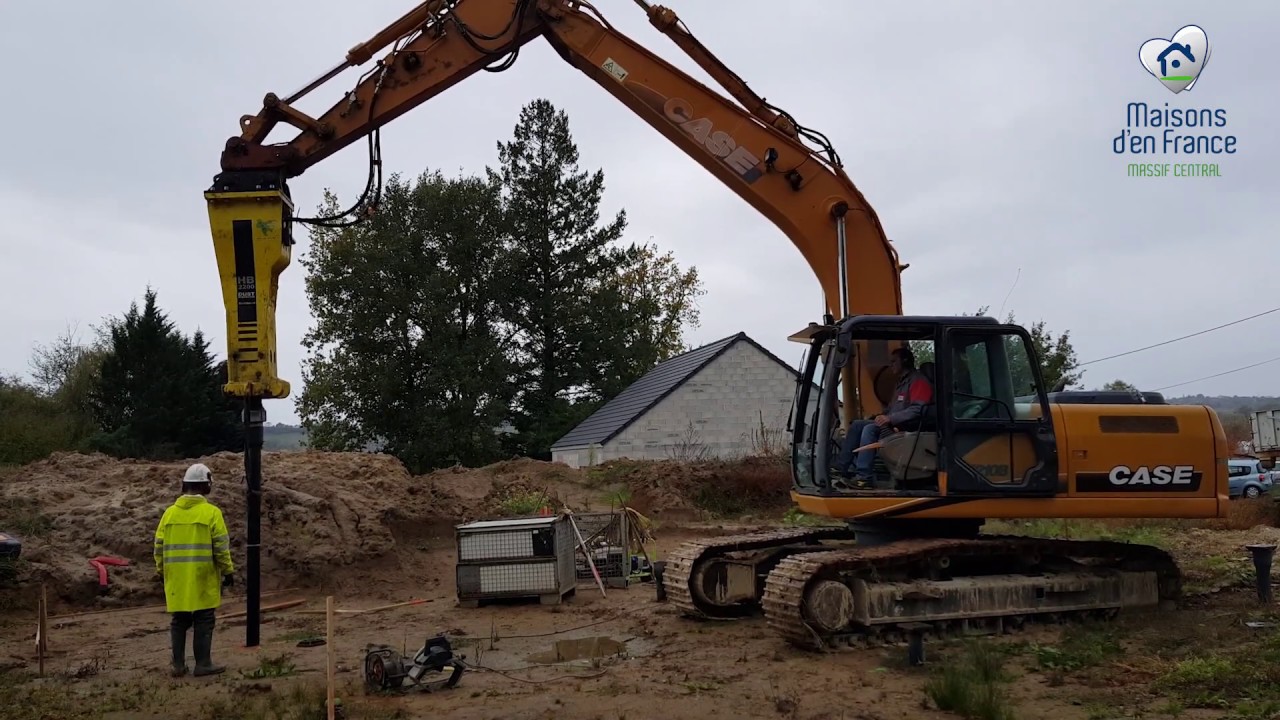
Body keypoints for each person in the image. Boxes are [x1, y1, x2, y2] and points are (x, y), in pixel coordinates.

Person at [154, 463, 235, 677]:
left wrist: (161, 571)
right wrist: (228, 570)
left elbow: (158, 547)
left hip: (176, 578)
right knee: (204, 619)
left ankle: (178, 665)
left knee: (179, 620)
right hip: (203, 576)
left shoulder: (169, 514)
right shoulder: (211, 513)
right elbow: (221, 547)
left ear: (185, 485)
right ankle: (203, 664)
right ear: (206, 486)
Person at [833, 347, 934, 489]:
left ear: (905, 361)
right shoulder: (901, 383)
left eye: (894, 361)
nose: (891, 365)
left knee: (870, 429)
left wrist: (890, 418)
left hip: (907, 428)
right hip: (894, 423)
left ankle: (864, 477)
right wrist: (878, 416)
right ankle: (841, 467)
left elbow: (918, 409)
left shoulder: (919, 381)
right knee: (857, 425)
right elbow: (891, 408)